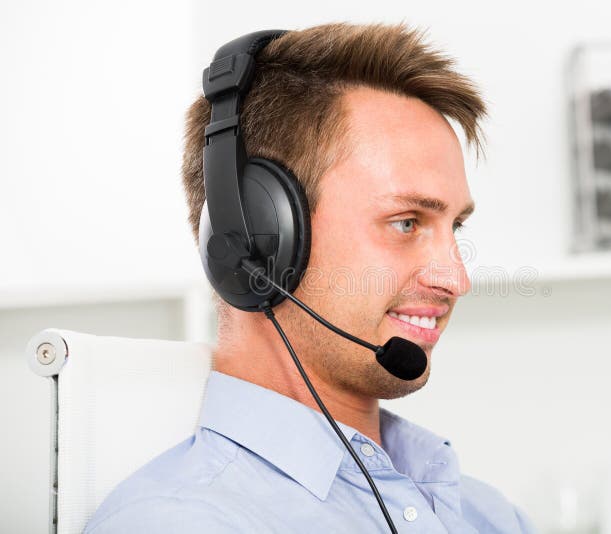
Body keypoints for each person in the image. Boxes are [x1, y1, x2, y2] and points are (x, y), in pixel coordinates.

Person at [85, 22, 534, 533]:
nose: (456, 278)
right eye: (406, 222)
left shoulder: (492, 516)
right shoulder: (182, 523)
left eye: (454, 226)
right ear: (260, 237)